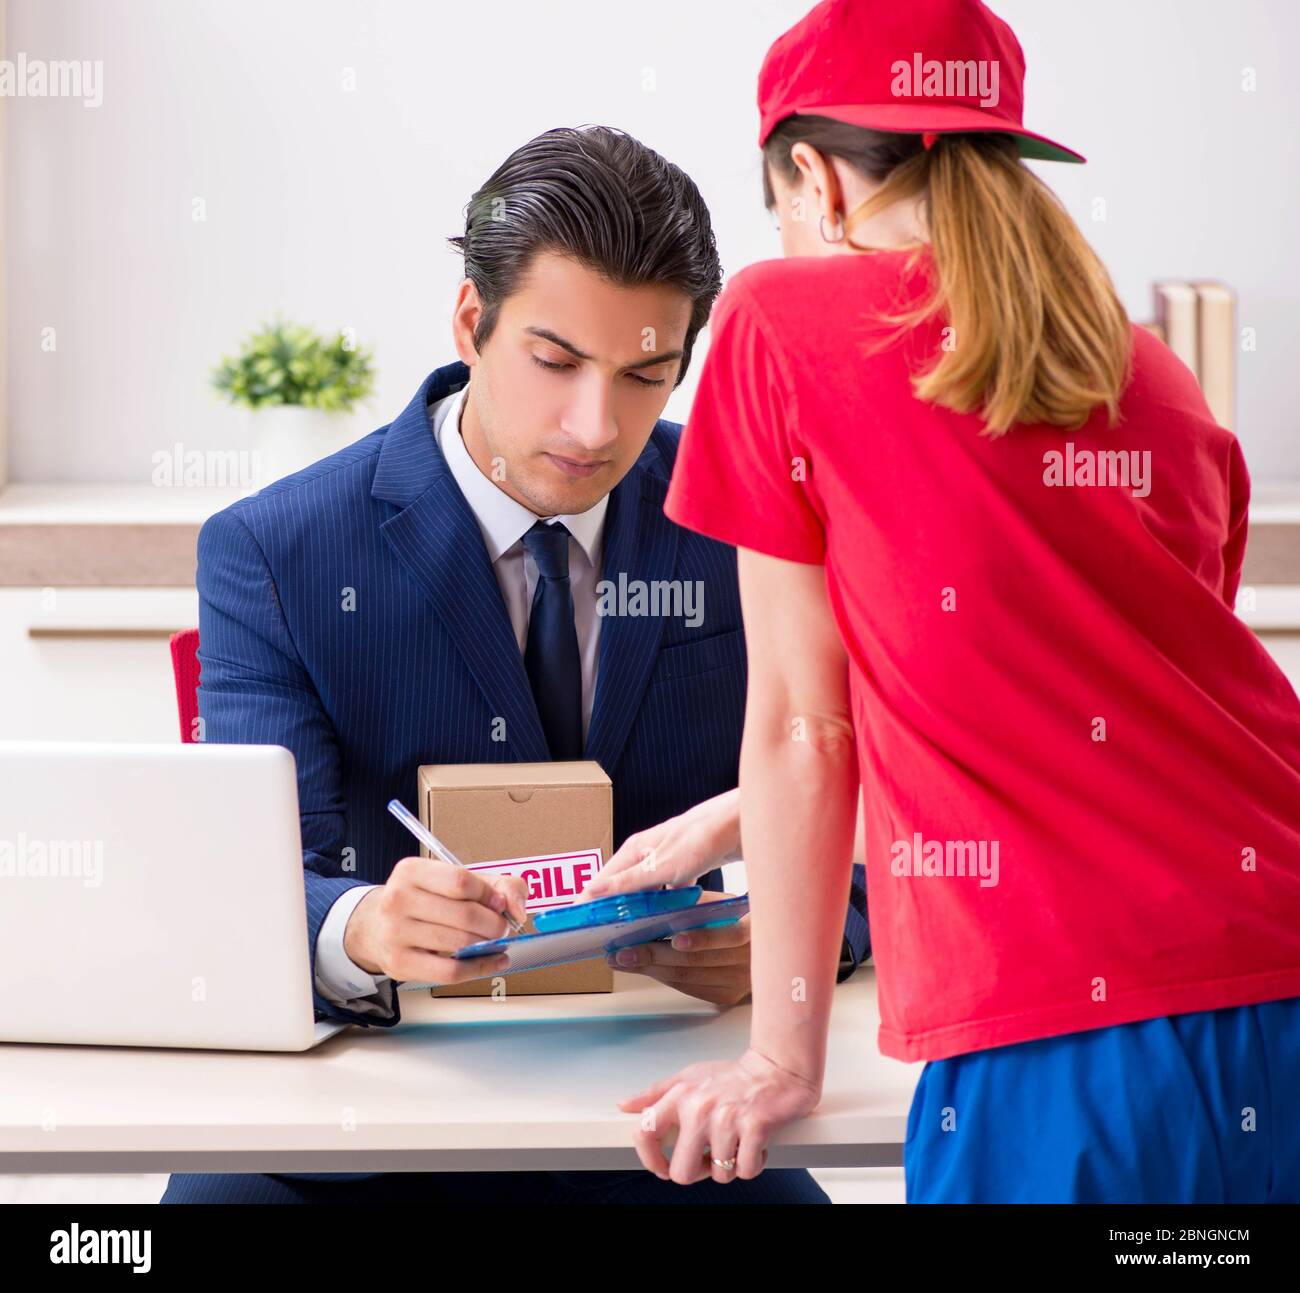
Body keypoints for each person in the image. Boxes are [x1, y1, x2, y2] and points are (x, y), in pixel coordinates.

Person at [615, 0, 1300, 1202]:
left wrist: (780, 1055)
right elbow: (1087, 720)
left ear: (814, 182)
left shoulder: (780, 321)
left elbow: (801, 724)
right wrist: (736, 815)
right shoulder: (1150, 371)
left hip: (1073, 1031)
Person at [161, 125, 869, 1206]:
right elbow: (255, 893)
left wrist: (792, 936)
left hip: (672, 1116)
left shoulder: (752, 523)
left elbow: (885, 820)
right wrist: (365, 930)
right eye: (554, 362)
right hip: (364, 1126)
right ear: (469, 321)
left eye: (646, 374)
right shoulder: (276, 550)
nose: (595, 426)